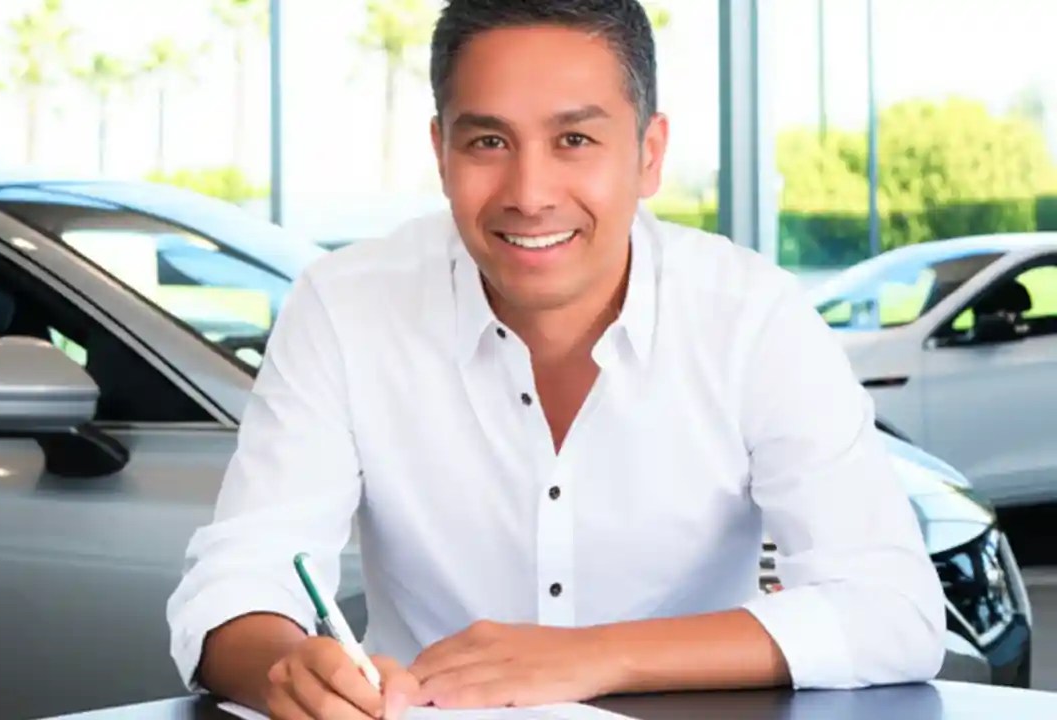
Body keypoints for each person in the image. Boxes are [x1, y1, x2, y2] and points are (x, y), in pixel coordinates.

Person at [167, 1, 945, 717]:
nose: (529, 192)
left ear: (648, 152)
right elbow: (238, 579)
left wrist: (593, 657)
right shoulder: (344, 306)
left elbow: (892, 609)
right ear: (441, 152)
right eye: (489, 142)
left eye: (574, 139)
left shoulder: (751, 317)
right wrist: (288, 669)